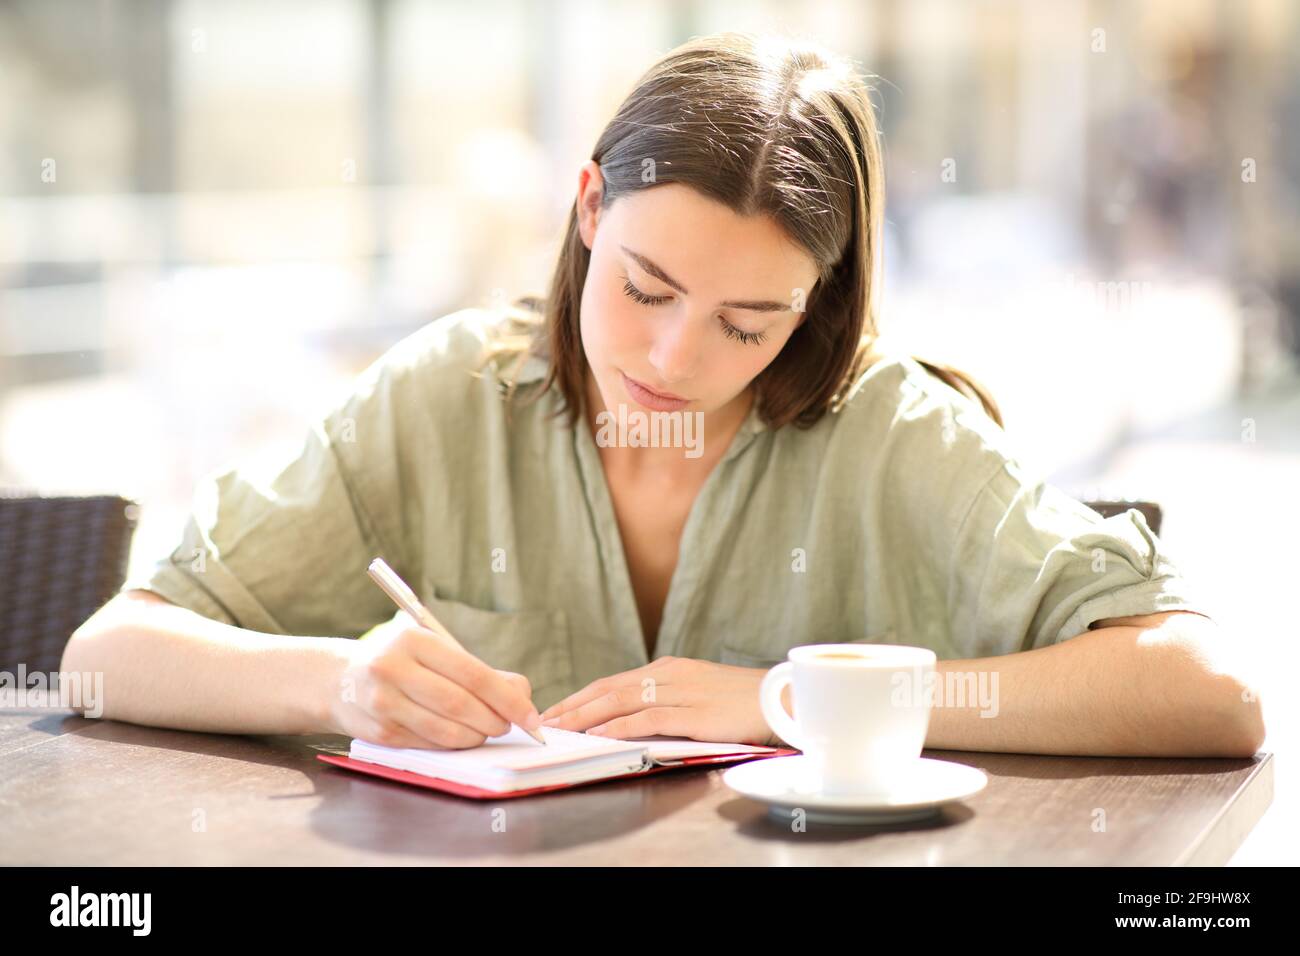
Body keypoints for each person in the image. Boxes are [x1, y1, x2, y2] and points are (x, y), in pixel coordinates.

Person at [63, 31, 1263, 758]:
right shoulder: (446, 397)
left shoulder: (891, 432)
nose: (678, 359)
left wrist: (790, 699)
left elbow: (1208, 693)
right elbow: (106, 656)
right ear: (588, 209)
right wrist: (333, 680)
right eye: (644, 286)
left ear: (819, 301)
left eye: (748, 322)